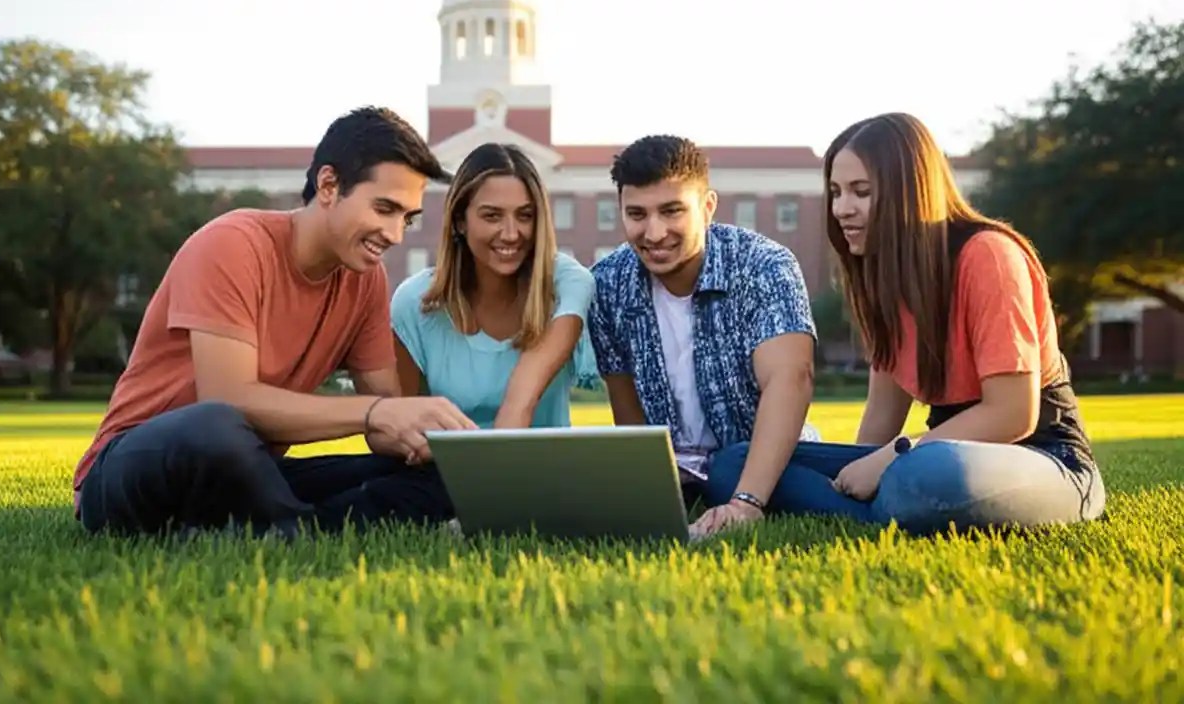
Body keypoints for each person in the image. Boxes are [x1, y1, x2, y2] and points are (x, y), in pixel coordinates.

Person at [72, 106, 478, 539]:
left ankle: (272, 528)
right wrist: (379, 412)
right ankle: (293, 528)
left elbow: (383, 426)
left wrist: (425, 433)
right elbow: (229, 399)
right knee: (217, 424)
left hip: (250, 472)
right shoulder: (233, 244)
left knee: (444, 479)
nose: (396, 234)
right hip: (139, 468)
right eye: (384, 209)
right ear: (328, 185)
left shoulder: (365, 282)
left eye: (407, 218)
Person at [768, 112, 1106, 535]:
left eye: (861, 192)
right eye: (835, 192)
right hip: (930, 458)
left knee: (927, 473)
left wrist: (890, 458)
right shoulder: (885, 282)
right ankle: (885, 510)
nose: (841, 209)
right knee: (742, 462)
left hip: (1044, 460)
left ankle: (894, 504)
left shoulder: (988, 256)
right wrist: (856, 473)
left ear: (909, 191)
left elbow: (1013, 412)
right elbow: (881, 418)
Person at [587, 134, 820, 538]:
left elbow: (791, 378)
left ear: (707, 207)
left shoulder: (763, 265)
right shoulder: (608, 283)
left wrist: (745, 503)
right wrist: (645, 491)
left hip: (761, 459)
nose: (655, 233)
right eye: (637, 214)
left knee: (734, 469)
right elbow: (626, 408)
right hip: (675, 470)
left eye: (672, 211)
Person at [391, 143, 598, 429]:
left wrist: (492, 459)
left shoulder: (567, 283)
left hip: (545, 472)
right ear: (460, 221)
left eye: (525, 215)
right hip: (445, 471)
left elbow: (519, 404)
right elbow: (402, 426)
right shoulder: (413, 302)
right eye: (492, 216)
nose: (511, 234)